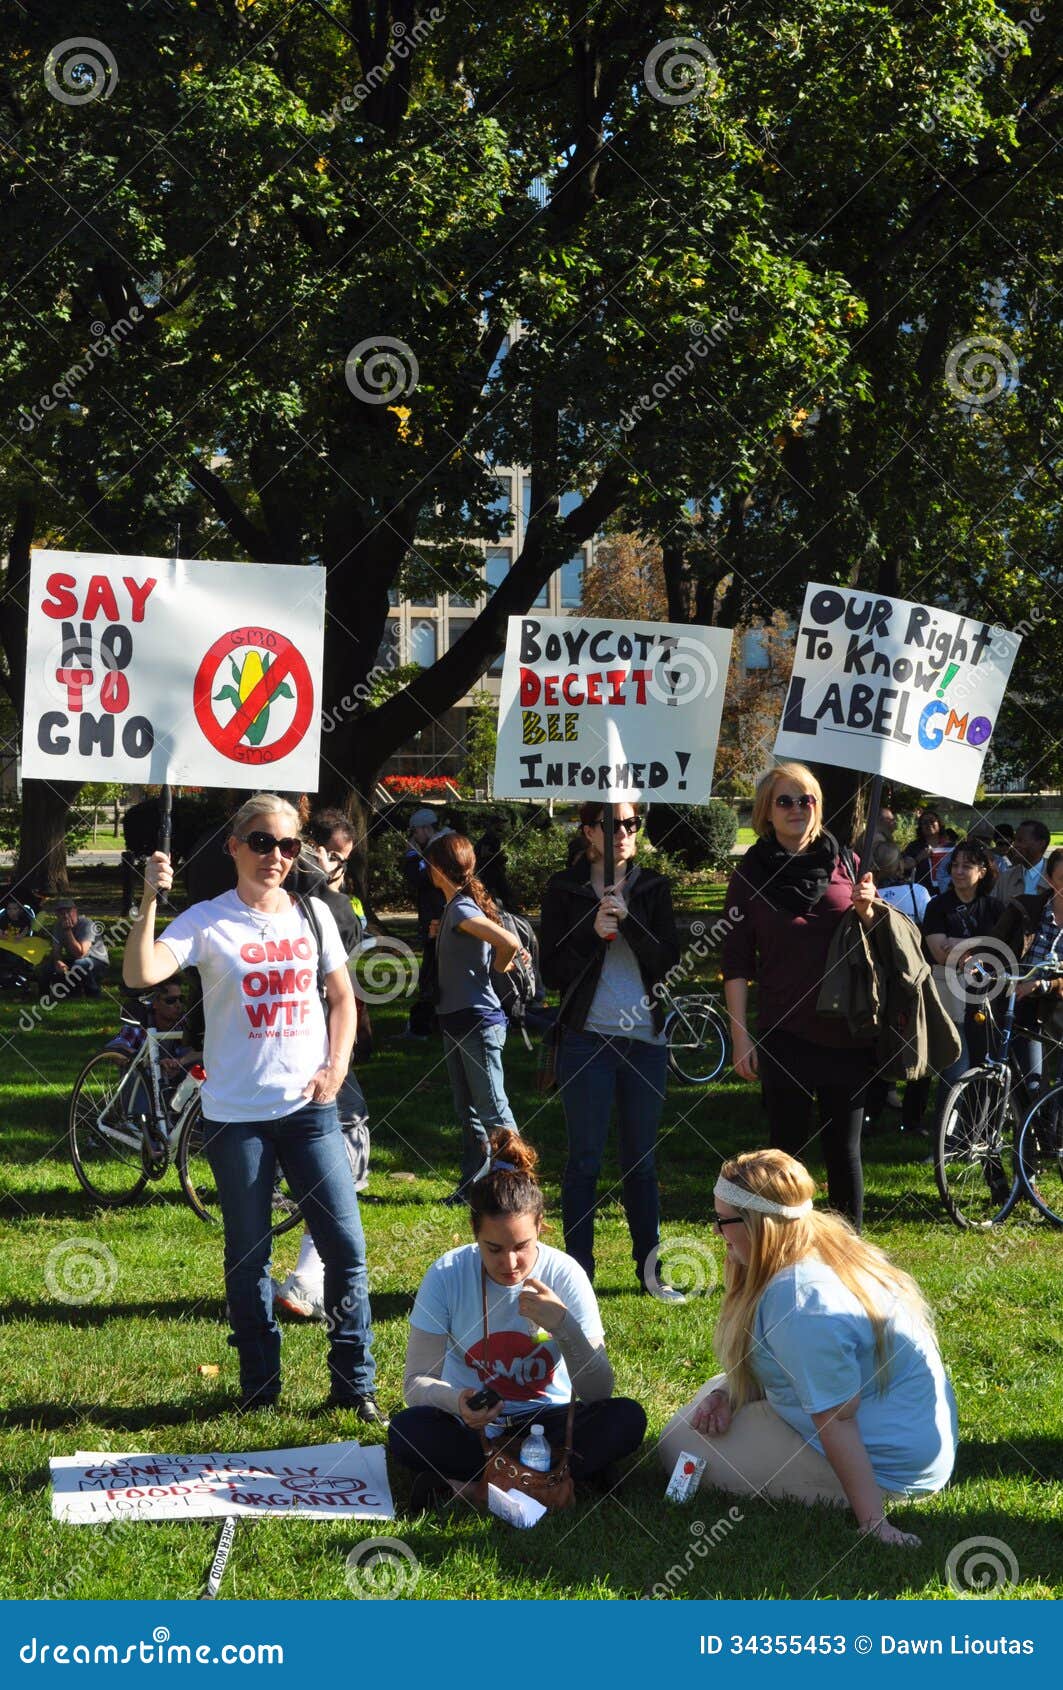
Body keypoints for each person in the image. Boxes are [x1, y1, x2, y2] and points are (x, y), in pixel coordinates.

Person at [122, 793, 385, 1422]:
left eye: (288, 845)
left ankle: (354, 1384)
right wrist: (149, 900)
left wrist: (337, 1066)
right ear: (235, 846)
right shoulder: (207, 920)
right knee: (248, 1256)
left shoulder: (316, 915)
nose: (276, 856)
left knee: (345, 1248)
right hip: (236, 1117)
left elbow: (343, 999)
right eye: (262, 842)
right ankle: (259, 1385)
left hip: (310, 1112)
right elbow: (140, 972)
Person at [659, 1150, 957, 1544]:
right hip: (898, 1433)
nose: (716, 1233)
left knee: (676, 1446)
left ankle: (874, 1500)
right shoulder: (825, 1245)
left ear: (759, 1225)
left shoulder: (800, 1301)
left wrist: (874, 1523)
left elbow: (839, 1419)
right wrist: (728, 1393)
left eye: (722, 1221)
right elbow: (782, 1366)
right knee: (707, 1399)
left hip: (889, 1466)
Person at [388, 1127, 647, 1513]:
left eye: (522, 1247)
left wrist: (563, 1326)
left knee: (626, 1418)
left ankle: (473, 1486)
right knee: (406, 1431)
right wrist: (457, 1401)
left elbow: (598, 1391)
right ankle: (554, 1480)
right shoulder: (446, 1274)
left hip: (552, 1421)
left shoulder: (565, 1274)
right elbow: (415, 1383)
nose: (510, 1263)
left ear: (541, 1225)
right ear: (474, 1233)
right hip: (475, 1427)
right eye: (494, 1249)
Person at [723, 764, 877, 1230]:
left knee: (844, 1152)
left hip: (845, 1028)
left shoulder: (845, 863)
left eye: (806, 799)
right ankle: (785, 1251)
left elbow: (872, 947)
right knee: (785, 1154)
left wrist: (869, 912)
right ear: (766, 812)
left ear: (819, 807)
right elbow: (735, 962)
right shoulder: (750, 872)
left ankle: (851, 1256)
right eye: (785, 801)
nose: (797, 809)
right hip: (783, 1032)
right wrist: (740, 1036)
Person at [540, 800, 684, 1298]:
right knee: (584, 1161)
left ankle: (651, 1269)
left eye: (630, 823)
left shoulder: (653, 886)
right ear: (588, 832)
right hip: (586, 1041)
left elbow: (669, 961)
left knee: (641, 1161)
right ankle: (577, 1275)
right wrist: (591, 931)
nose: (622, 831)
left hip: (645, 1043)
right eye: (611, 823)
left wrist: (630, 924)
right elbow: (551, 972)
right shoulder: (564, 888)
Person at [274, 811, 374, 1320]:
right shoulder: (324, 907)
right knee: (341, 1168)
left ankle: (299, 1279)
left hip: (295, 1057)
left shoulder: (281, 907)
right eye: (331, 854)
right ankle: (308, 1277)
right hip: (316, 1057)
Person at [425, 831, 522, 1205]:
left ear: (437, 869)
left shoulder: (463, 909)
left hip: (477, 1023)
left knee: (494, 1110)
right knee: (470, 1115)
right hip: (458, 1022)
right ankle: (476, 1187)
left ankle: (517, 1187)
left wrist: (499, 969)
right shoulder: (457, 908)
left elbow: (508, 943)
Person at [922, 839, 1005, 1114]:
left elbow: (1004, 951)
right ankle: (943, 1139)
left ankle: (978, 1130)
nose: (958, 871)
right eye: (955, 865)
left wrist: (962, 941)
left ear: (982, 871)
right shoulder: (938, 906)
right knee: (956, 1066)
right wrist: (980, 948)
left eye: (966, 865)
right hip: (952, 997)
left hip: (987, 998)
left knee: (984, 1065)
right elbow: (940, 953)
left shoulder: (994, 908)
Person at [993, 844, 1063, 1097]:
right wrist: (975, 959)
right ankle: (1029, 1132)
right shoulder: (1026, 908)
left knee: (1052, 1089)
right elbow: (995, 943)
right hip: (1022, 1005)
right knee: (1030, 1084)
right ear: (1048, 880)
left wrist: (1044, 985)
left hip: (1056, 1007)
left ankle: (1050, 1134)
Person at [402, 807, 443, 1036]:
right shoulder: (443, 845)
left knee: (431, 975)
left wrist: (411, 856)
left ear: (426, 829)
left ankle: (424, 1026)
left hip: (436, 922)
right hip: (437, 919)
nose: (413, 837)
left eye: (415, 832)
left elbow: (418, 878)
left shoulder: (436, 850)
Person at [41, 897, 109, 998]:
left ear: (75, 911)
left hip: (96, 960)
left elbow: (81, 954)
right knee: (46, 966)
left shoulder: (87, 924)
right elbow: (56, 950)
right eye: (61, 913)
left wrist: (68, 931)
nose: (65, 915)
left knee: (80, 964)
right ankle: (44, 997)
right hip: (75, 958)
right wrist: (58, 961)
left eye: (68, 911)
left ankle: (93, 993)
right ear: (57, 915)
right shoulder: (58, 926)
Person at [997, 818, 1051, 902]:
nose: (1014, 845)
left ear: (1041, 844)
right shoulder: (1005, 878)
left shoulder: (1056, 876)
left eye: (1021, 840)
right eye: (1015, 840)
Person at [901, 808, 947, 890]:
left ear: (939, 824)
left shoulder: (950, 846)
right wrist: (919, 858)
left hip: (946, 891)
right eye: (924, 822)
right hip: (921, 892)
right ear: (920, 827)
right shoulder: (913, 847)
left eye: (932, 821)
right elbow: (902, 867)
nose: (929, 824)